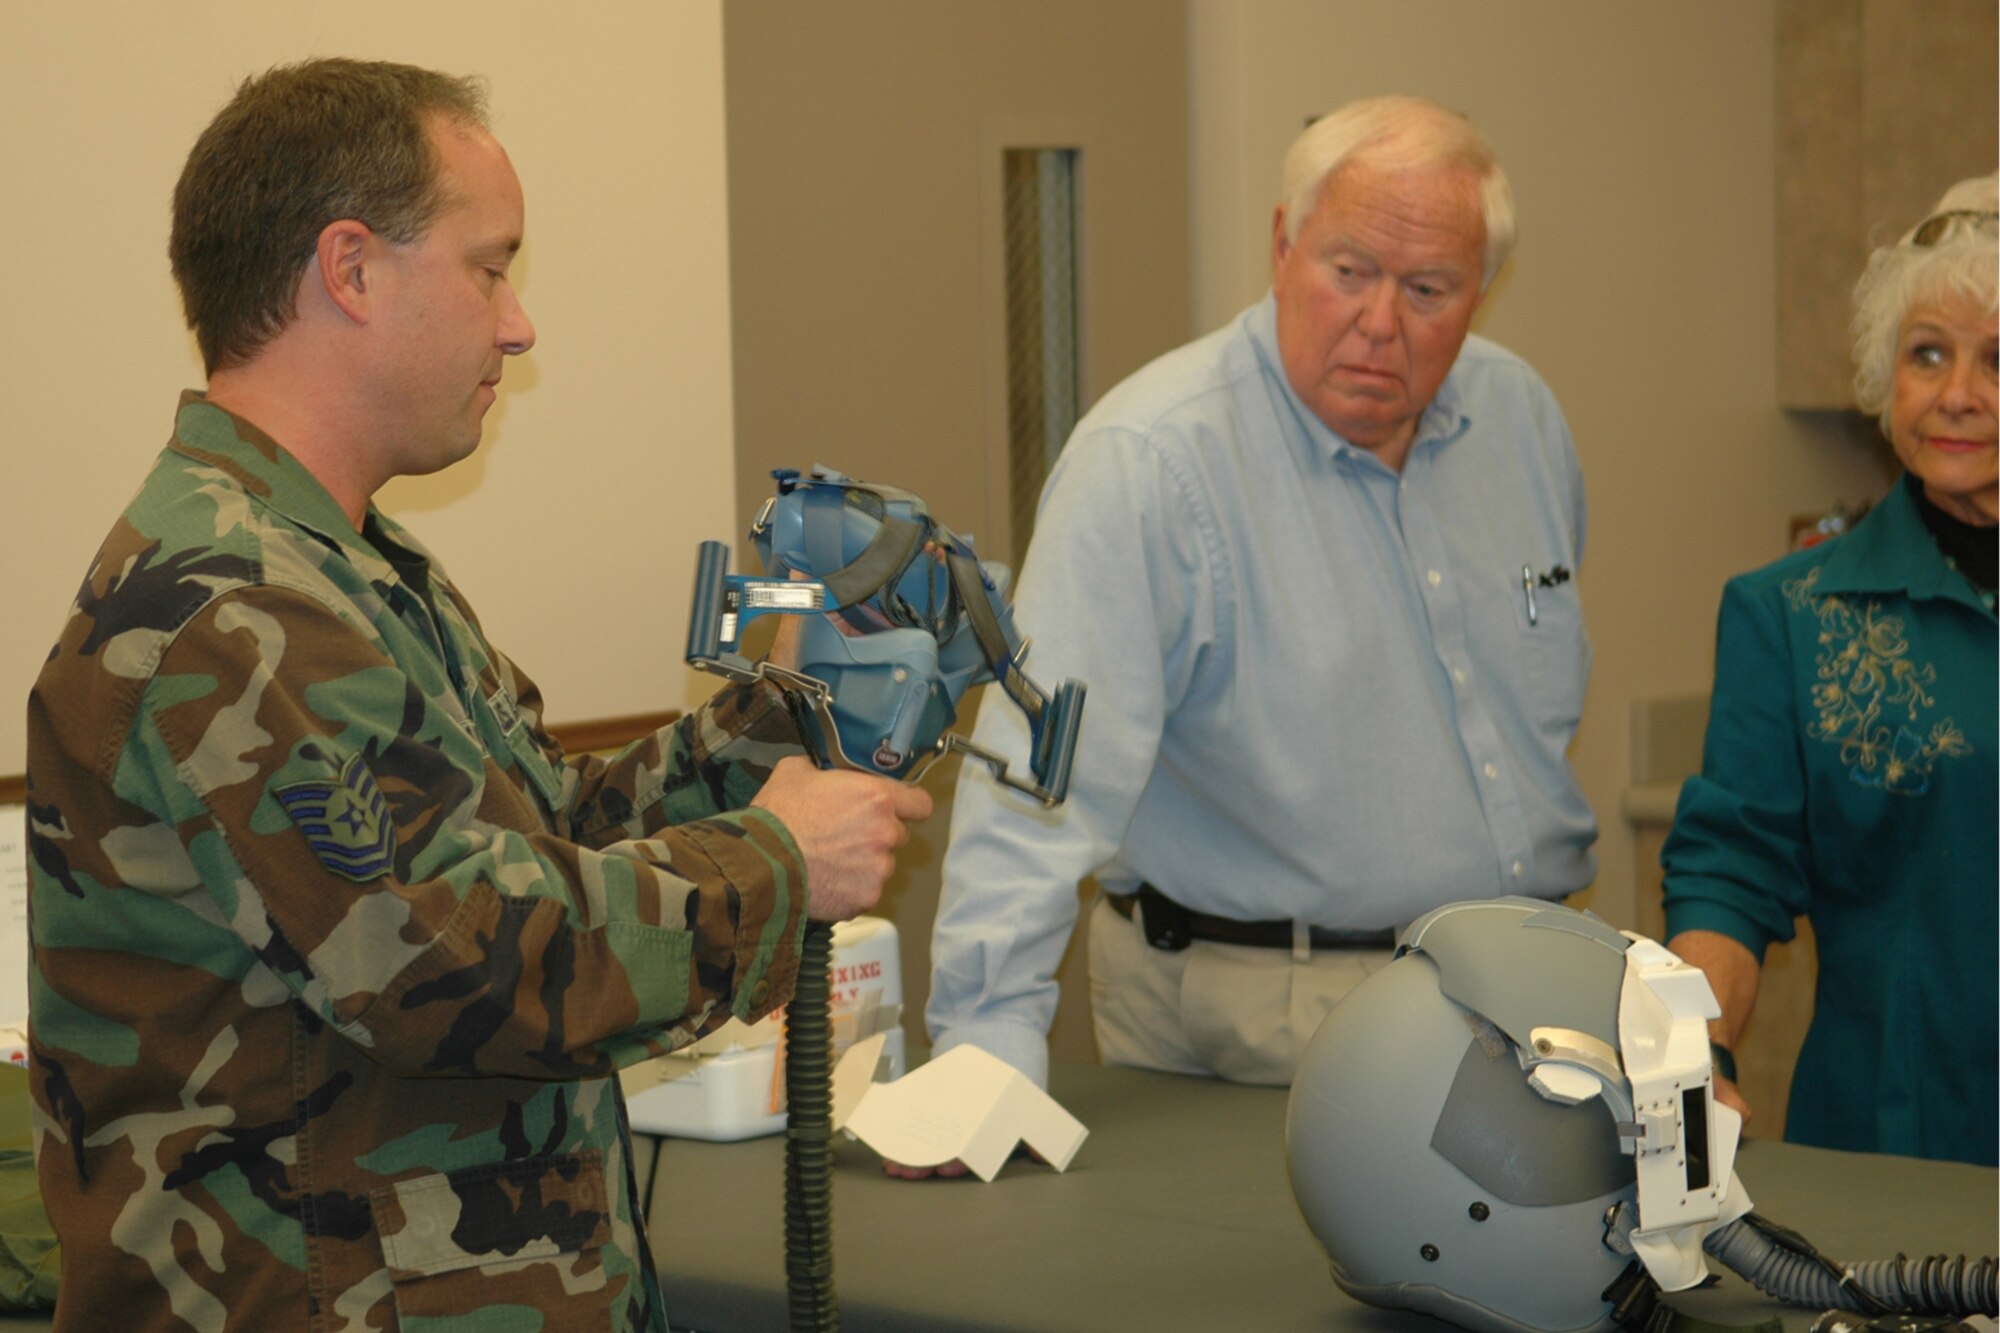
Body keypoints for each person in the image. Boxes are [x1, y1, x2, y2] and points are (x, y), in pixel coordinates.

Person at [23, 58, 930, 1329]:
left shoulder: (342, 568)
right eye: (488, 267)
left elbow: (545, 831)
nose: (518, 324)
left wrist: (780, 717)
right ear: (350, 270)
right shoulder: (231, 607)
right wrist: (778, 864)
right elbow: (454, 959)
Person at [919, 95, 1596, 1115]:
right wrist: (981, 1061)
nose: (1378, 324)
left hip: (1527, 995)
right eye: (1348, 272)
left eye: (1426, 288)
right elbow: (1035, 779)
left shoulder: (1519, 419)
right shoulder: (1152, 462)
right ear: (1282, 245)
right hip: (1260, 1016)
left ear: (1481, 289)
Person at [1661, 175, 1997, 1167]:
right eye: (1924, 353)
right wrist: (1699, 1051)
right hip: (1893, 1141)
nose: (1955, 394)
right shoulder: (1790, 613)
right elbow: (1729, 867)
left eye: (1996, 360)